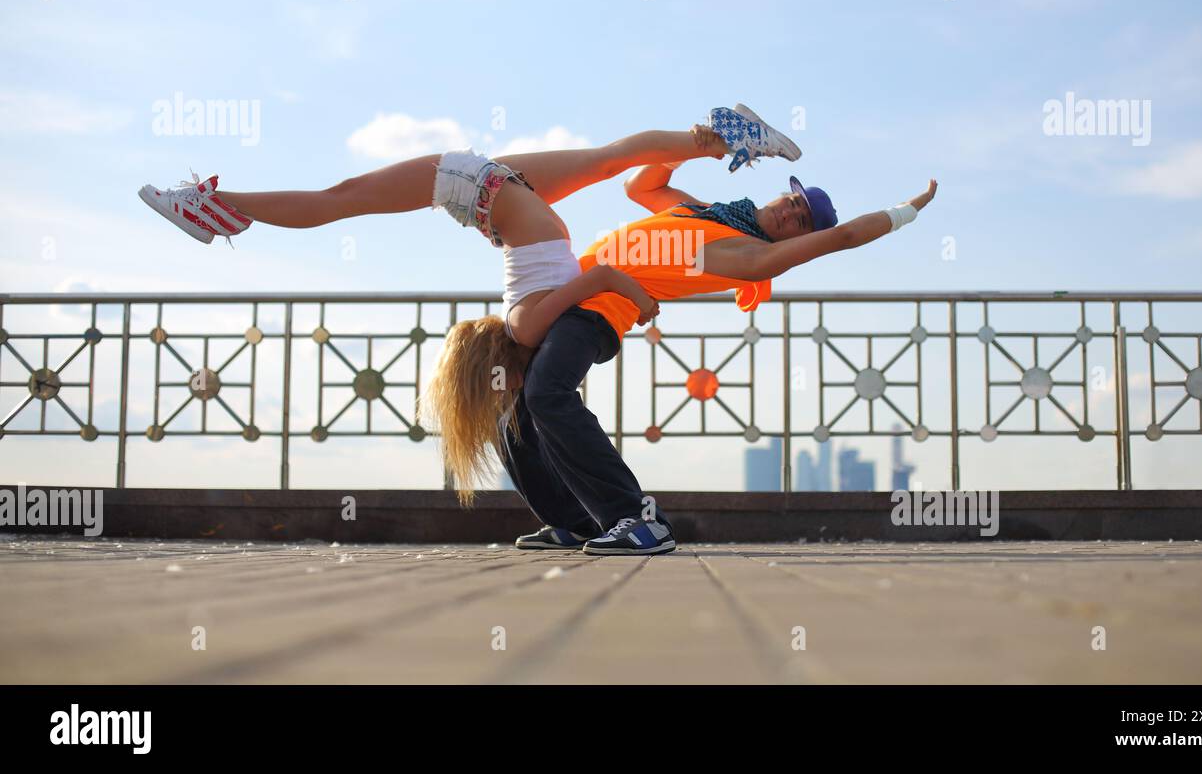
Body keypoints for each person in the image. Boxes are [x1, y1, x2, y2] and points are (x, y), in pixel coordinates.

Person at [135, 104, 803, 505]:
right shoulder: (527, 317)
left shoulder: (526, 317)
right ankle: (217, 207)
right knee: (345, 196)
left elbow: (601, 265)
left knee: (343, 196)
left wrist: (621, 285)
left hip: (491, 196)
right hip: (491, 198)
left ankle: (217, 206)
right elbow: (618, 234)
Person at [503, 134, 938, 556]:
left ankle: (638, 522)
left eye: (801, 221)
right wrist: (702, 147)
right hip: (563, 297)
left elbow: (843, 237)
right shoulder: (703, 213)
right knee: (513, 409)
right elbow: (641, 186)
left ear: (798, 238)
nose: (790, 213)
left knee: (547, 393)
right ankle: (572, 522)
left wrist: (905, 211)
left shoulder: (751, 256)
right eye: (792, 202)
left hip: (599, 311)